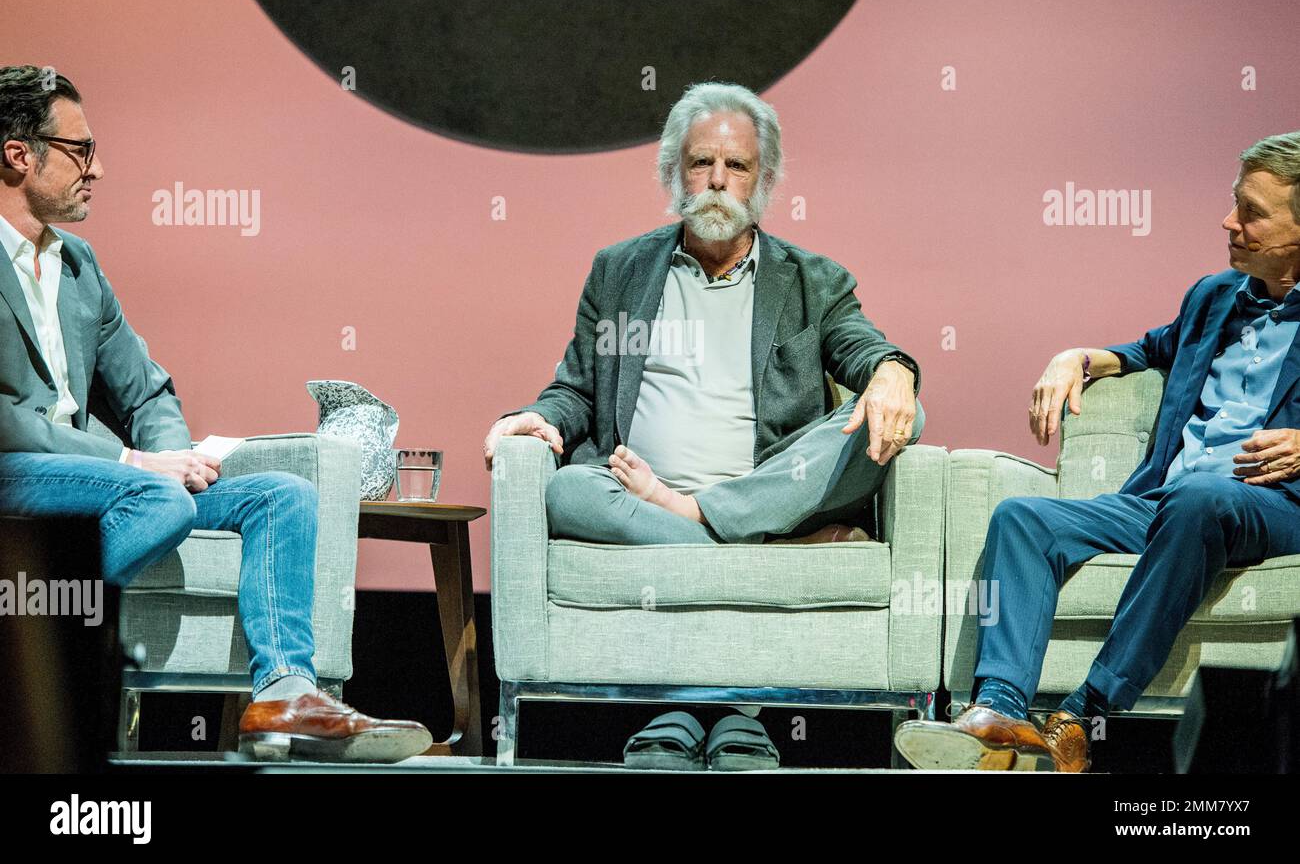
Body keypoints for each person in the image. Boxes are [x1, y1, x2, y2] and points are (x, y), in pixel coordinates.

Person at [482, 81, 924, 765]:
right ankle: (752, 569)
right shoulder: (620, 271)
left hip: (770, 490)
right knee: (565, 489)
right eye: (700, 163)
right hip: (641, 493)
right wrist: (539, 418)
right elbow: (574, 386)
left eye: (737, 165)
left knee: (903, 415)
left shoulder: (814, 282)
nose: (717, 180)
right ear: (673, 172)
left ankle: (699, 536)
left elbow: (864, 348)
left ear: (763, 179)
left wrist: (894, 369)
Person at [0, 65, 431, 762]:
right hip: (21, 473)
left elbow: (146, 391)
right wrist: (137, 464)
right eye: (80, 149)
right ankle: (35, 640)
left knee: (283, 496)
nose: (98, 168)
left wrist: (181, 460)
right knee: (156, 499)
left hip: (102, 479)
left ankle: (285, 694)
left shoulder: (79, 266)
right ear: (19, 154)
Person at [895, 131, 1300, 772]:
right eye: (1233, 202)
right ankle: (1000, 711)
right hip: (1166, 500)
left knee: (1199, 499)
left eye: (1252, 211)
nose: (1229, 221)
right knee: (1023, 518)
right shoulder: (1214, 296)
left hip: (1273, 504)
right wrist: (1078, 358)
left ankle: (1083, 715)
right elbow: (1151, 350)